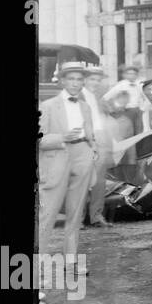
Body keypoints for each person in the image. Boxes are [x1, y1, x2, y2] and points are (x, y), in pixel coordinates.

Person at [38, 56, 101, 260]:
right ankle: (34, 266)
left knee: (75, 214)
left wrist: (92, 150)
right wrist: (62, 137)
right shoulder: (48, 106)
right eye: (71, 78)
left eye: (79, 79)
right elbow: (40, 140)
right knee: (47, 215)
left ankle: (71, 260)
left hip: (82, 156)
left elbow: (91, 134)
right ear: (63, 81)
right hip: (57, 158)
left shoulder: (85, 107)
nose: (75, 83)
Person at [81, 64, 112, 228]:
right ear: (85, 79)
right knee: (83, 179)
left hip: (102, 137)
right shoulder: (79, 95)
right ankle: (78, 219)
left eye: (98, 80)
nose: (95, 83)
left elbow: (104, 119)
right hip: (86, 139)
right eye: (92, 79)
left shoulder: (98, 97)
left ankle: (96, 216)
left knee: (100, 180)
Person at [107, 63, 147, 134]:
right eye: (129, 73)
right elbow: (108, 96)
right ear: (126, 75)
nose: (132, 75)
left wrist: (142, 108)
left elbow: (146, 97)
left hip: (138, 111)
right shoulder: (121, 85)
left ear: (137, 75)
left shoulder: (140, 85)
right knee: (127, 132)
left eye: (134, 74)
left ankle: (138, 144)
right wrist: (115, 107)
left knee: (139, 132)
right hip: (125, 111)